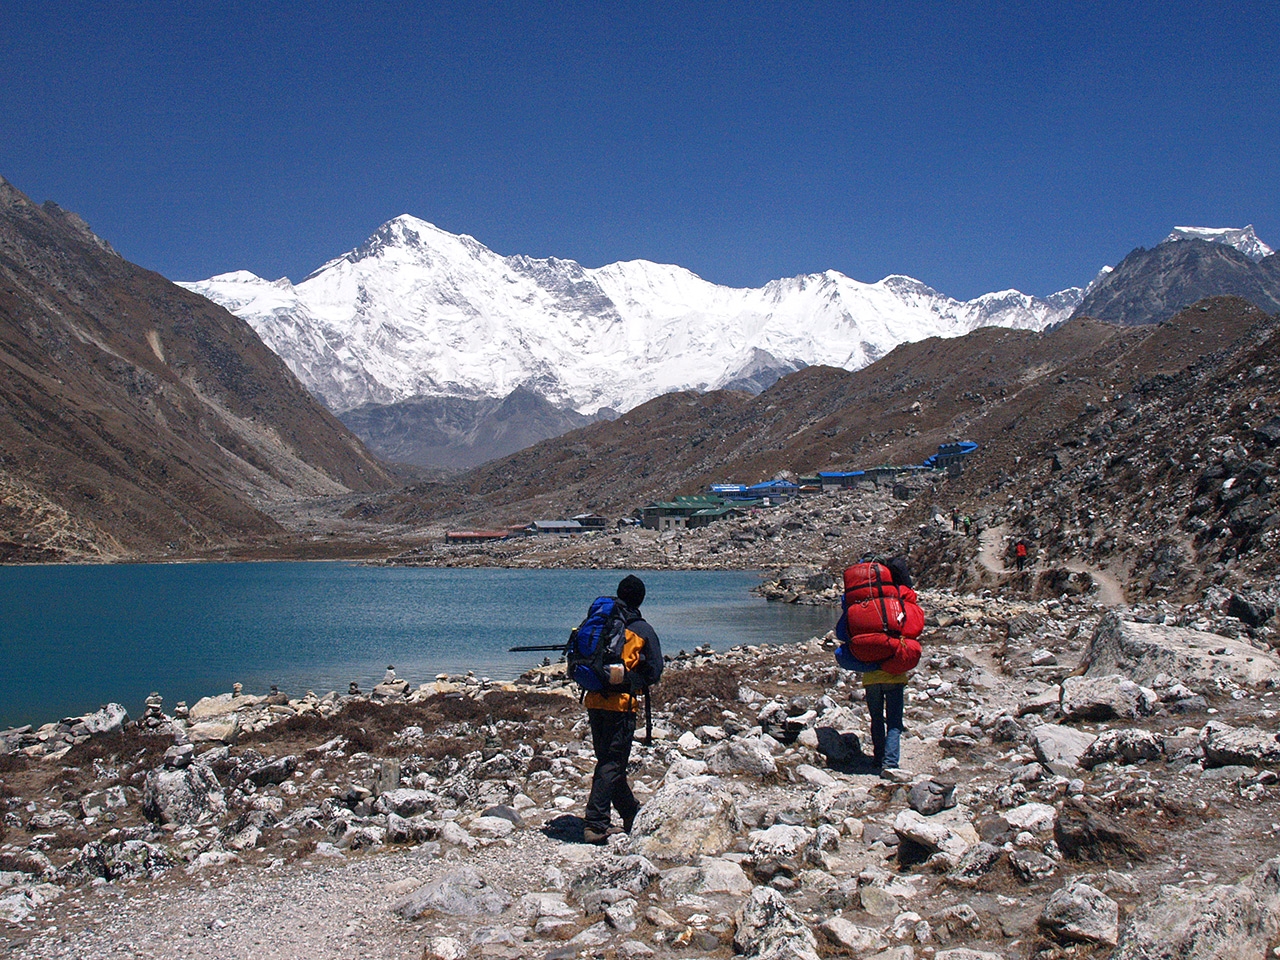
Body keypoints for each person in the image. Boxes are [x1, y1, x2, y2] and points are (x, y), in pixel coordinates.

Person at [583, 574, 663, 844]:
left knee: (608, 762)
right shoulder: (642, 629)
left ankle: (630, 814)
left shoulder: (602, 620)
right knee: (612, 763)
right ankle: (595, 824)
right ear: (640, 599)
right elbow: (654, 672)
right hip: (621, 705)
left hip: (594, 700)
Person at [834, 557, 925, 776]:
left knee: (876, 719)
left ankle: (877, 758)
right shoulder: (894, 604)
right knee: (894, 722)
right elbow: (913, 625)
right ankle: (890, 764)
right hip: (895, 675)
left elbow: (844, 631)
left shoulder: (864, 604)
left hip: (871, 677)